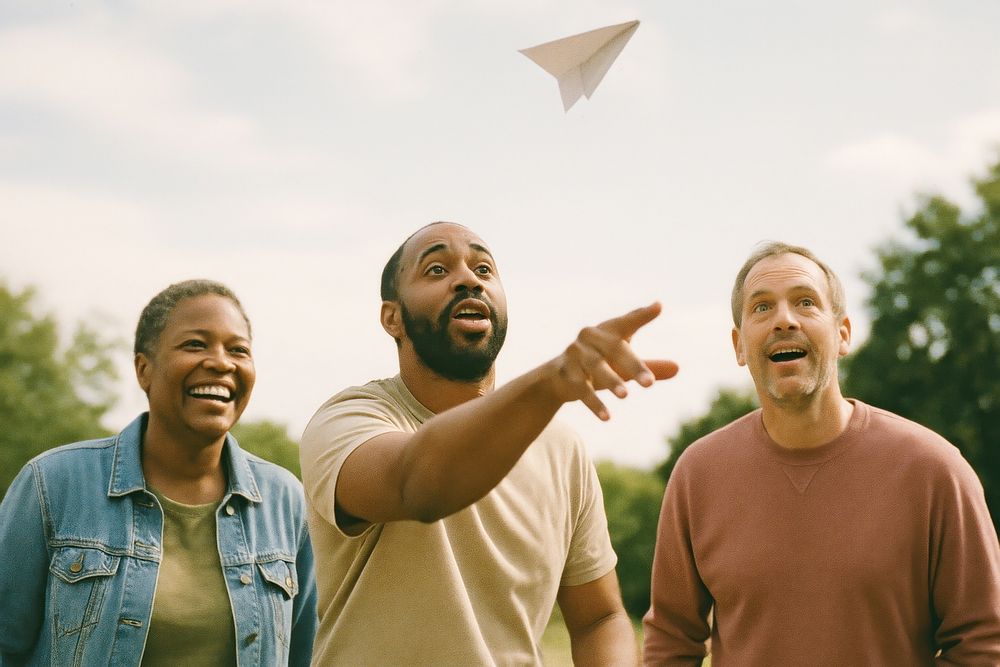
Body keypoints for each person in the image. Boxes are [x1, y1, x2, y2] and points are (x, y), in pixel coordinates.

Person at [300, 221, 678, 665]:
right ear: (393, 317)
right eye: (437, 270)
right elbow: (417, 486)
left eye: (483, 268)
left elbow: (600, 618)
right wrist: (550, 383)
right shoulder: (349, 419)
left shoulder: (560, 446)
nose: (468, 278)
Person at [642, 242, 1000, 665]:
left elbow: (982, 642)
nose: (784, 320)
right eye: (761, 308)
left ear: (842, 333)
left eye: (805, 302)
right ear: (739, 346)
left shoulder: (934, 469)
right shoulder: (697, 475)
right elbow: (670, 642)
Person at [0, 280, 317, 666]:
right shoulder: (52, 484)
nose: (221, 362)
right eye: (195, 345)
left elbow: (307, 655)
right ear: (144, 369)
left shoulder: (284, 500)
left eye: (239, 350)